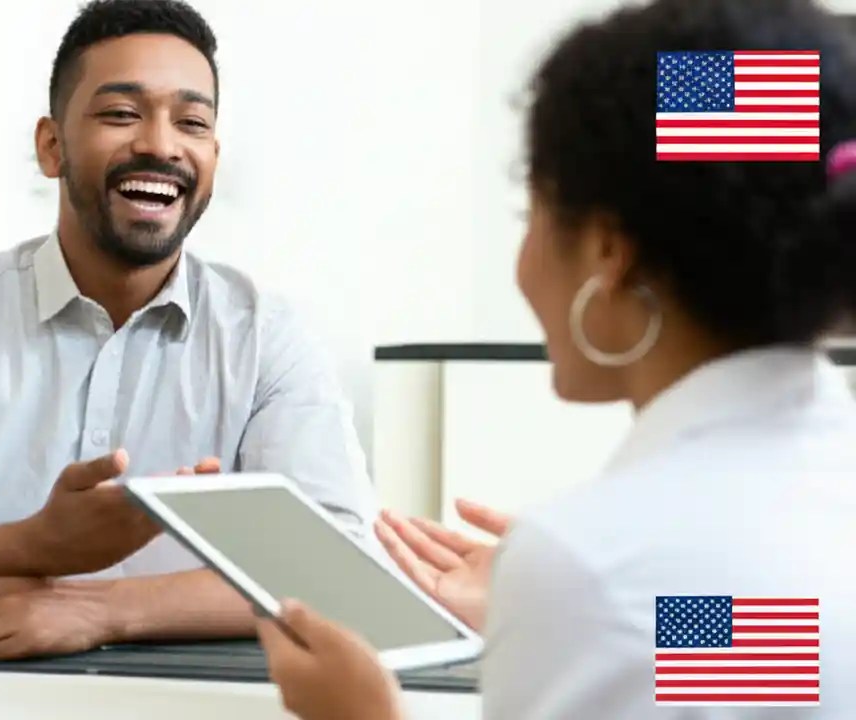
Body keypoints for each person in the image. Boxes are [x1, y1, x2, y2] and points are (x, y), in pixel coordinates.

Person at [257, 0, 856, 717]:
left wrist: (363, 713)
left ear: (608, 250)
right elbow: (810, 654)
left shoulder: (594, 564)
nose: (522, 262)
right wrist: (563, 613)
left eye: (530, 215)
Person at [0, 0, 376, 659]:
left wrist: (101, 610)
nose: (160, 143)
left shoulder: (267, 338)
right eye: (121, 114)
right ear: (51, 146)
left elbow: (344, 574)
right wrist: (32, 544)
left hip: (193, 707)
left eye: (193, 122)